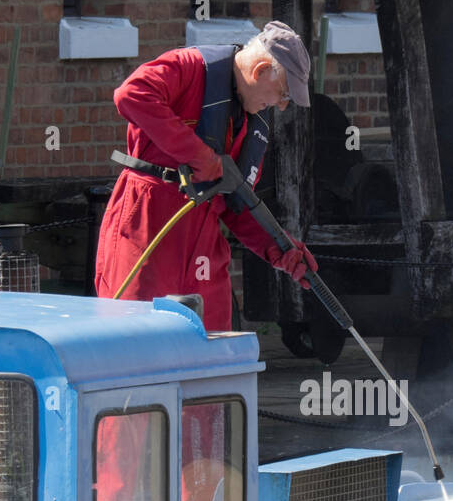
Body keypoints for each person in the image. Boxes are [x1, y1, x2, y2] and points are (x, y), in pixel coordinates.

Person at [94, 20, 317, 332]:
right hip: (147, 223)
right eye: (283, 93)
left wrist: (282, 249)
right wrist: (198, 155)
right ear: (260, 70)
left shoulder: (254, 124)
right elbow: (131, 94)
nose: (280, 106)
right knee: (133, 341)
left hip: (204, 240)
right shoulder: (188, 67)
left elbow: (238, 205)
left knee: (213, 349)